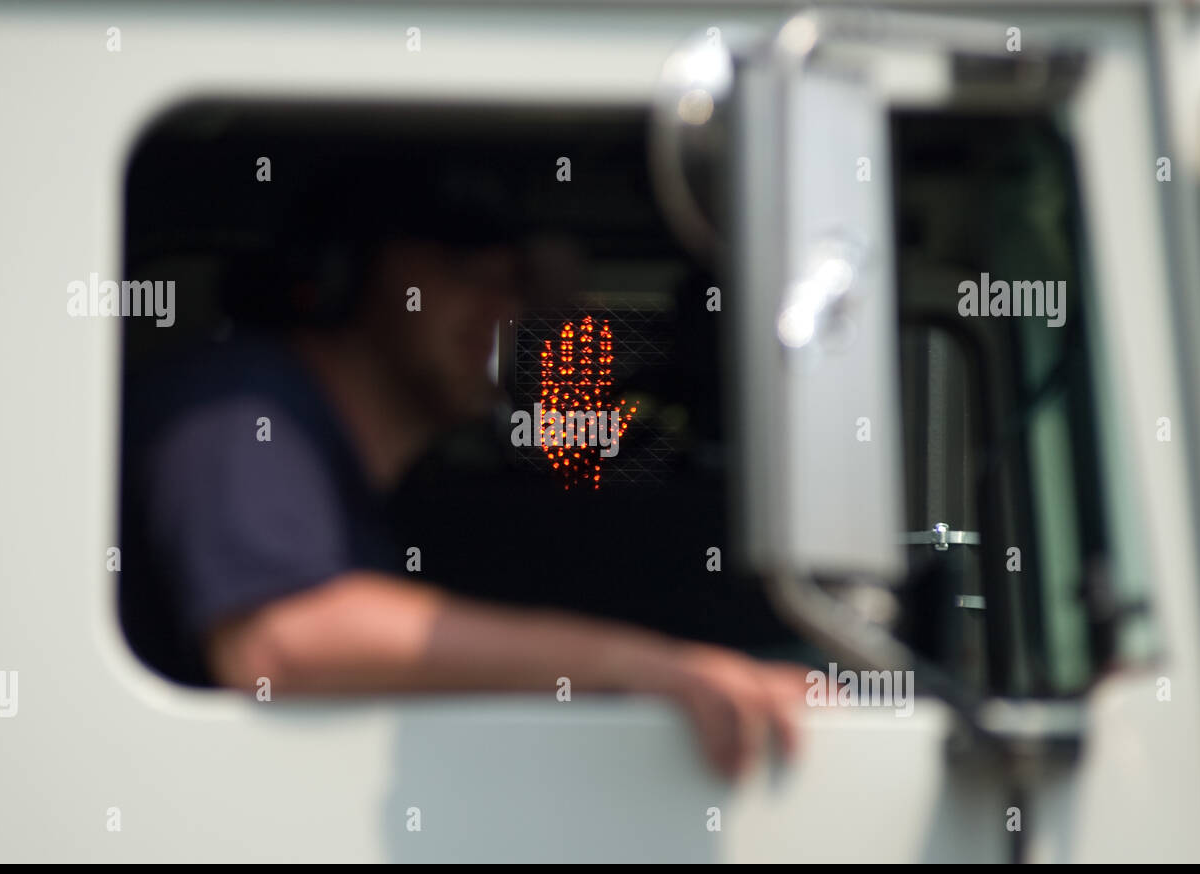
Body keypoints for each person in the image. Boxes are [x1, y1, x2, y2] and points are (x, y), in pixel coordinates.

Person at [118, 162, 811, 779]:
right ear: (340, 277)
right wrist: (640, 667)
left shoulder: (365, 480)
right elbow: (283, 642)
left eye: (513, 287)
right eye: (459, 271)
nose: (498, 312)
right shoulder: (242, 403)